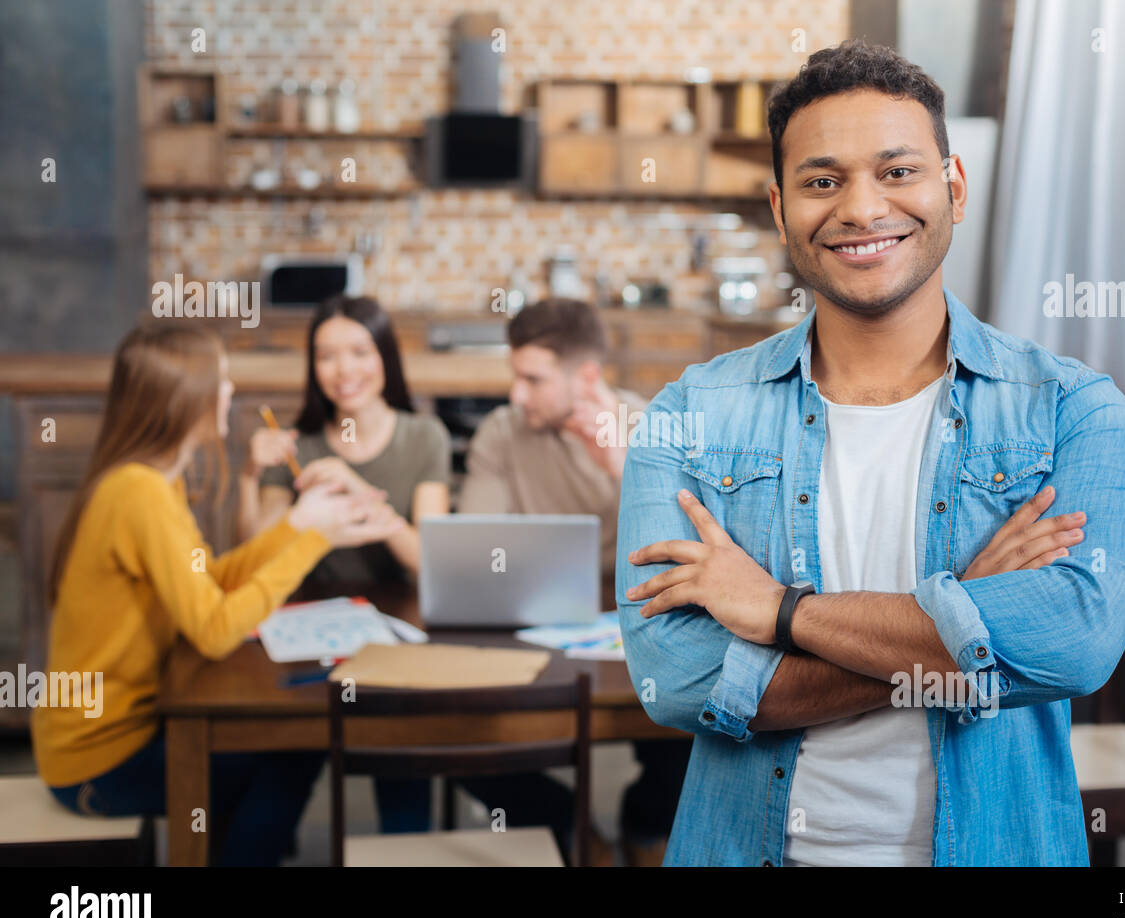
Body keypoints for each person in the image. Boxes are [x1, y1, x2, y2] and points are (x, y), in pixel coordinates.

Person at [618, 41, 1125, 866]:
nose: (862, 209)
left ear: (954, 186)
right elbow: (675, 681)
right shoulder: (688, 414)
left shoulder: (1075, 412)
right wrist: (966, 610)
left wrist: (783, 614)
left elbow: (1074, 645)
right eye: (822, 180)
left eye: (897, 171)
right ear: (779, 206)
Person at [32, 322, 401, 866]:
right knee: (293, 752)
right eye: (222, 380)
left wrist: (298, 526)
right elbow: (214, 628)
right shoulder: (140, 494)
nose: (230, 391)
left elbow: (208, 579)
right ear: (187, 399)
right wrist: (314, 540)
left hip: (115, 736)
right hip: (99, 762)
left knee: (280, 752)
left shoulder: (151, 482)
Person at [456, 297, 691, 866]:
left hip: (635, 627)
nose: (517, 394)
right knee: (458, 735)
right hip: (532, 628)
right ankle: (567, 826)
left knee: (690, 724)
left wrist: (621, 469)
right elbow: (471, 548)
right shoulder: (502, 433)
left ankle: (644, 825)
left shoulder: (652, 425)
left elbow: (689, 554)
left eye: (532, 379)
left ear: (586, 376)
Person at [236, 294, 453, 833]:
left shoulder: (424, 436)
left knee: (403, 793)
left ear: (385, 357)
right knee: (276, 789)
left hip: (401, 643)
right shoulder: (294, 445)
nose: (344, 370)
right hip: (307, 648)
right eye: (326, 356)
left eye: (359, 351)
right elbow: (253, 557)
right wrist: (247, 475)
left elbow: (432, 564)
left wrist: (361, 492)